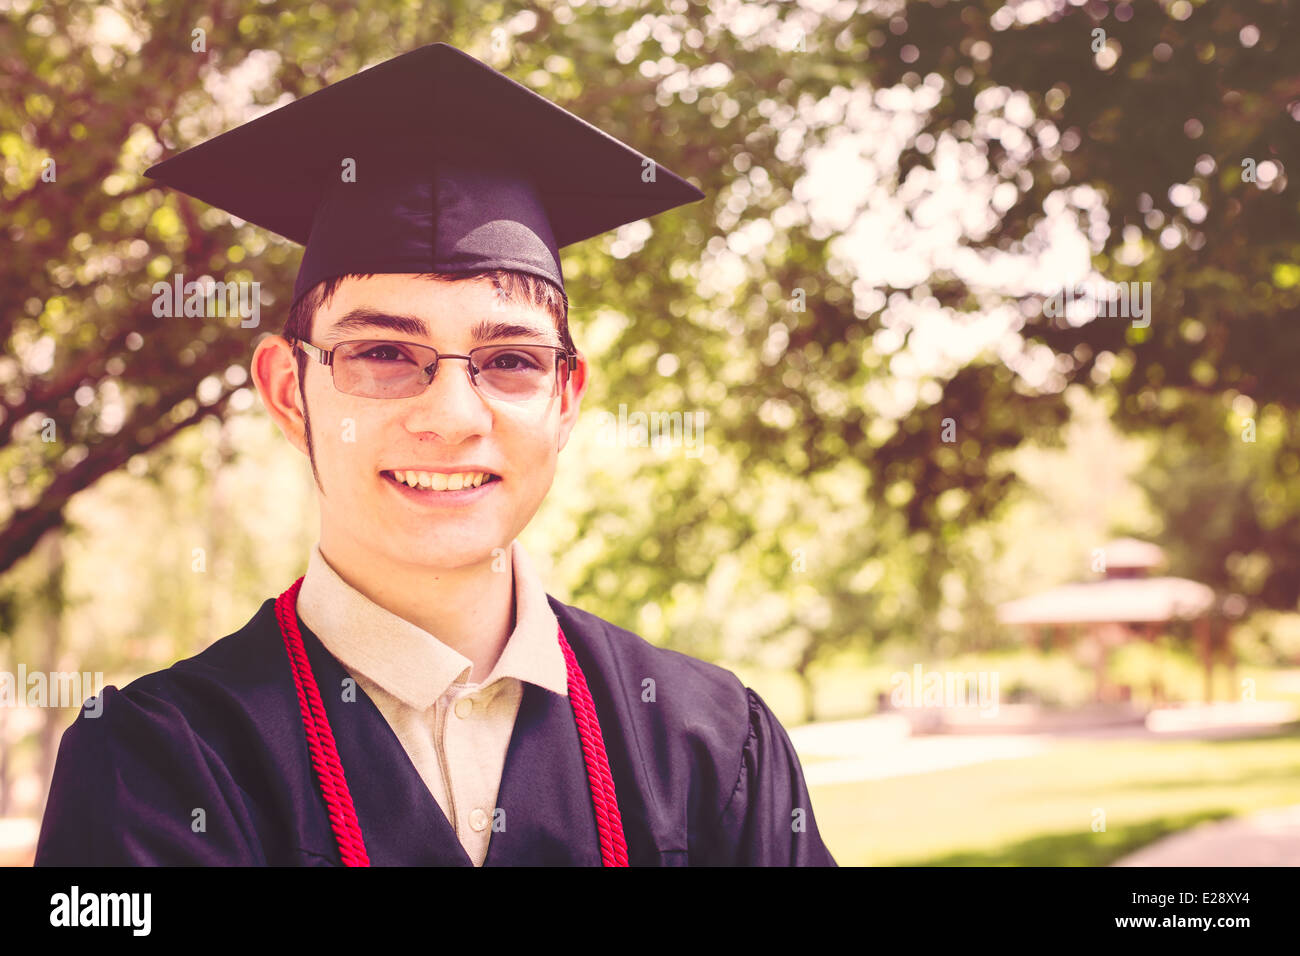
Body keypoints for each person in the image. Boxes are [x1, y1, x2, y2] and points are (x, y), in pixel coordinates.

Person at [35, 42, 836, 867]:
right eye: (382, 353)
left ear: (564, 398)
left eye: (511, 362)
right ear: (286, 392)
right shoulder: (159, 767)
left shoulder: (710, 745)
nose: (452, 416)